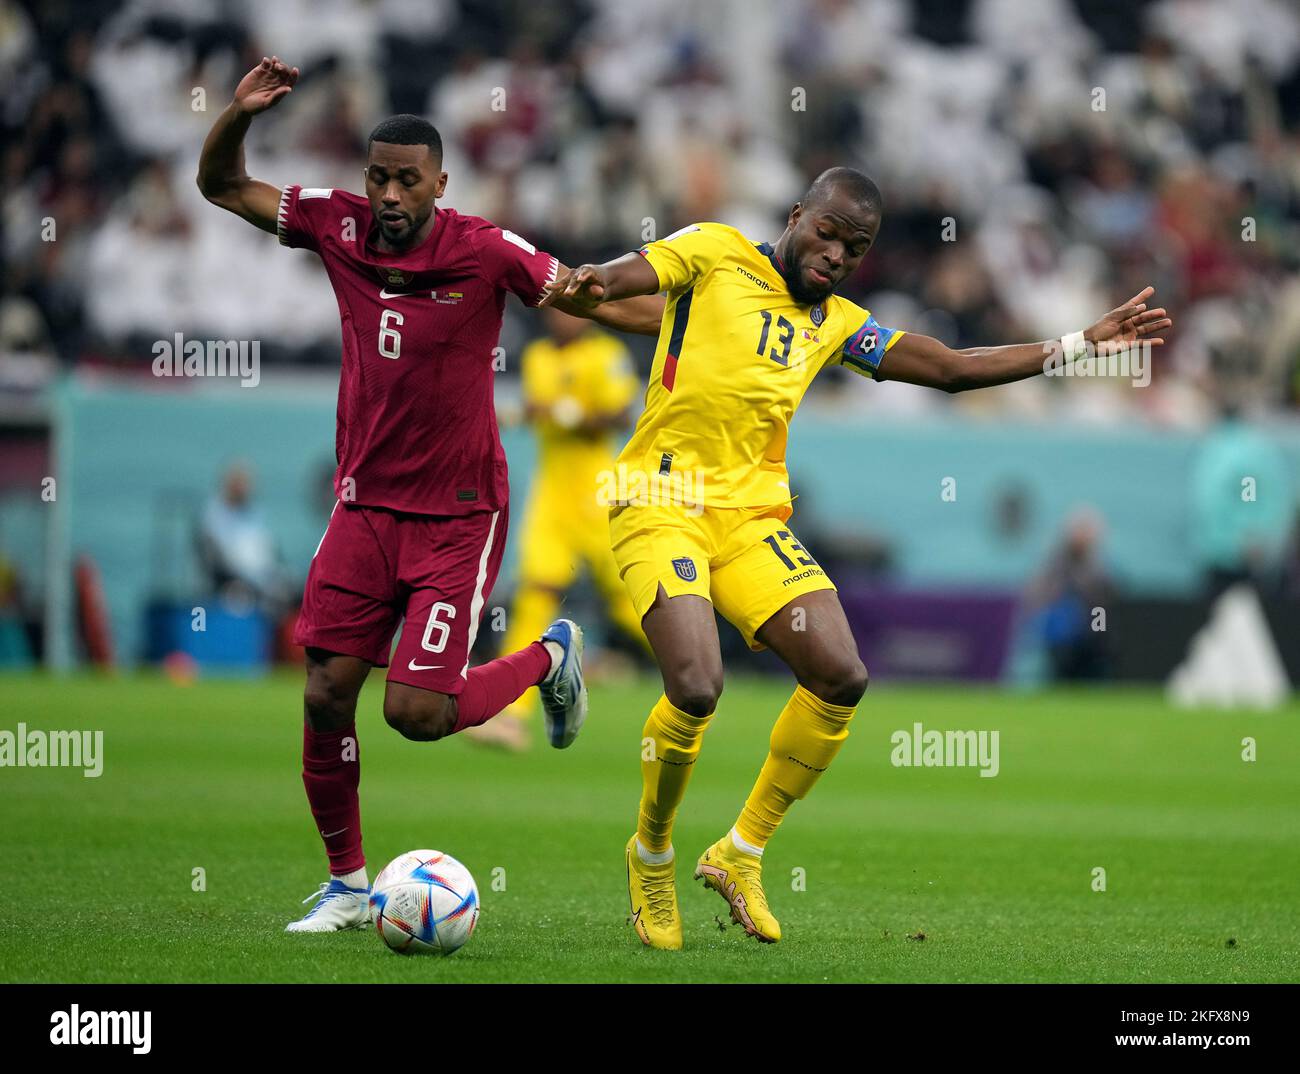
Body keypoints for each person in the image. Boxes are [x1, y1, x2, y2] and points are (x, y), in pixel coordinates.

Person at [546, 166, 1173, 948]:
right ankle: (651, 853)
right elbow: (618, 279)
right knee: (698, 686)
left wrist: (1081, 345)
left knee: (841, 674)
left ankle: (740, 853)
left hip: (749, 519)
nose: (838, 255)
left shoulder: (837, 323)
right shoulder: (712, 252)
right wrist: (582, 282)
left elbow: (949, 370)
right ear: (797, 215)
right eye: (829, 234)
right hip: (658, 500)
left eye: (857, 247)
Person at [197, 57, 660, 933]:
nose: (389, 195)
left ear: (441, 184)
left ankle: (549, 657)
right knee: (326, 692)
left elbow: (584, 295)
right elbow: (221, 184)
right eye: (378, 177)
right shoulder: (335, 226)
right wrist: (238, 113)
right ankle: (343, 885)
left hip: (457, 512)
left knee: (414, 712)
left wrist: (680, 321)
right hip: (364, 506)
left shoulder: (486, 249)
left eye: (407, 180)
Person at [468, 307, 649, 751]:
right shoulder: (537, 358)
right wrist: (524, 414)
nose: (562, 319)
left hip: (598, 493)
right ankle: (511, 715)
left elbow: (622, 417)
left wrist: (565, 413)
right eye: (555, 311)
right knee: (536, 592)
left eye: (571, 311)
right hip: (551, 497)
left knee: (630, 598)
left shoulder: (607, 353)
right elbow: (540, 412)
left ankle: (700, 670)